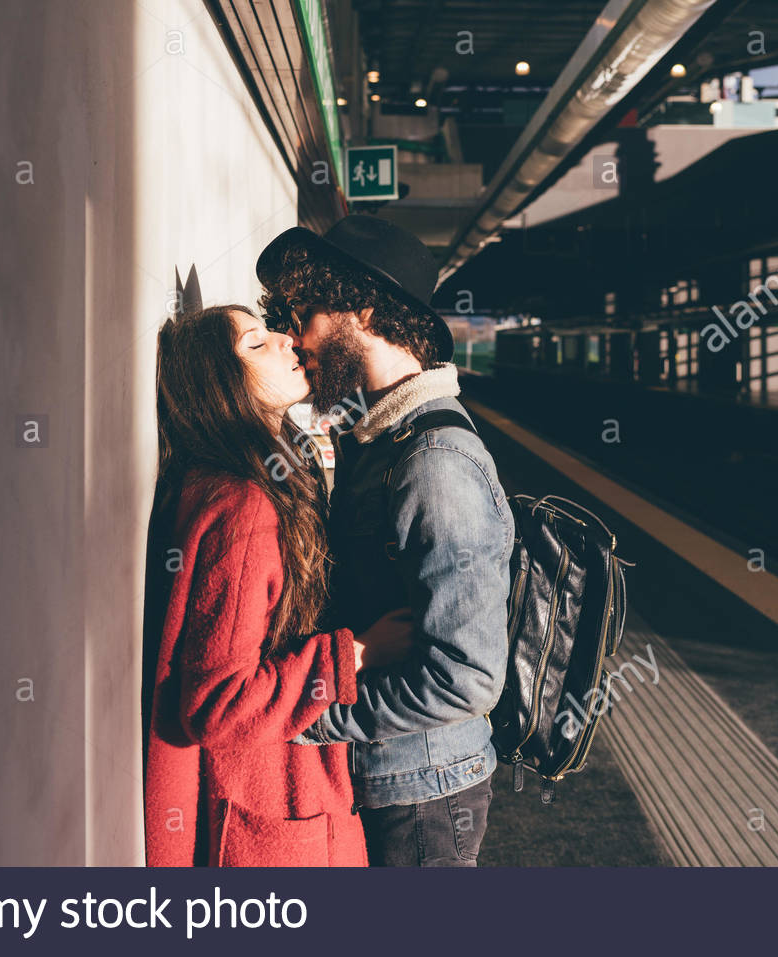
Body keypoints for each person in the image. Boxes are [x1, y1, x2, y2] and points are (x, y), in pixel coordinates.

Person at [256, 215, 515, 867]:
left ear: (359, 310)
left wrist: (315, 716)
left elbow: (467, 678)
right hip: (395, 782)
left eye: (305, 312)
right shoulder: (382, 438)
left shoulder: (435, 464)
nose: (294, 337)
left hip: (423, 799)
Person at [142, 302, 412, 867]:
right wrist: (357, 653)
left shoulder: (241, 480)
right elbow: (219, 702)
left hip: (278, 811)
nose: (287, 341)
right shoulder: (245, 507)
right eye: (256, 344)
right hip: (269, 820)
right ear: (222, 382)